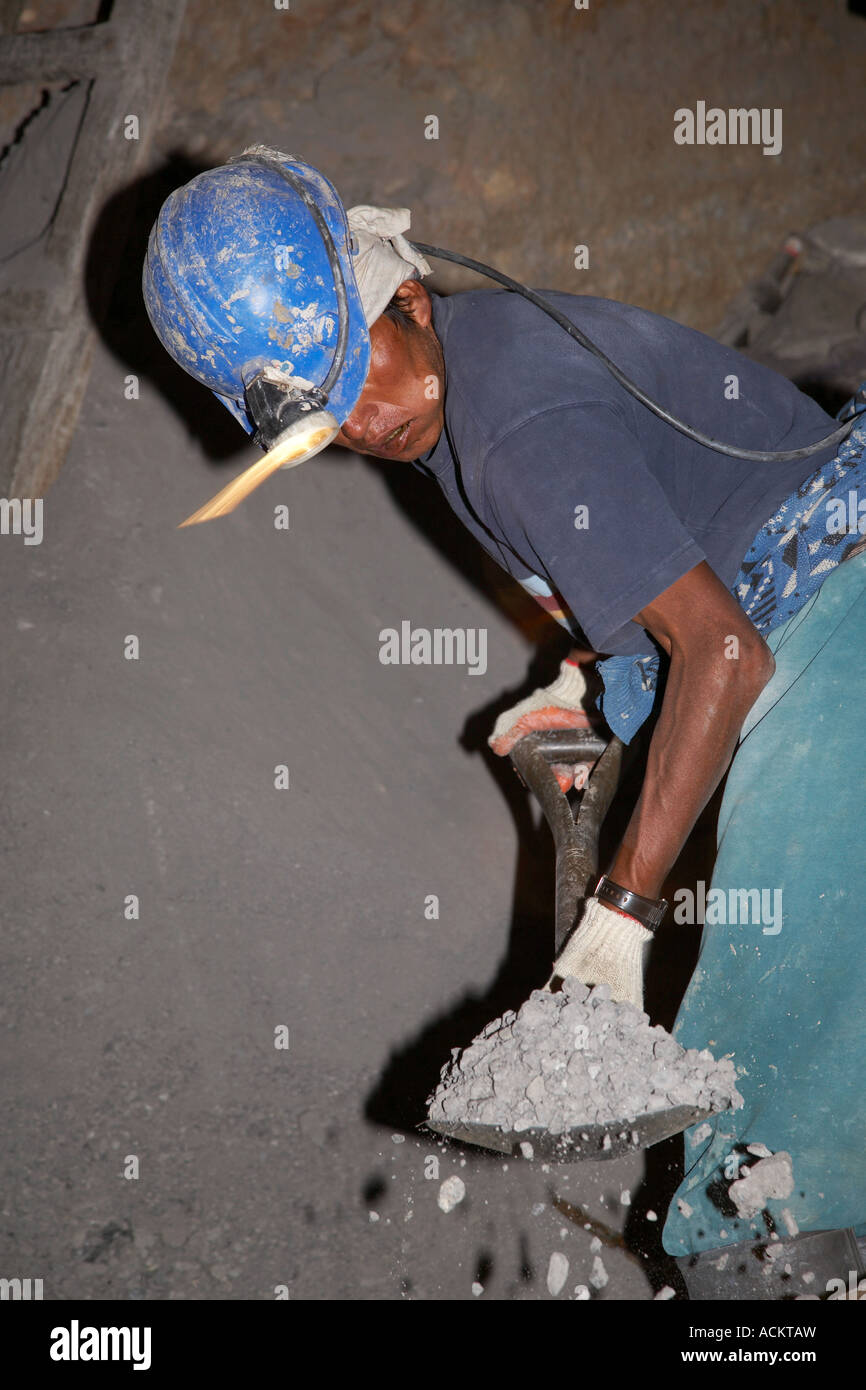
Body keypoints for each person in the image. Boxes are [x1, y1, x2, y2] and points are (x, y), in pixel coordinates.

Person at [143, 149, 866, 1297]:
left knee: (775, 1137)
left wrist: (621, 913)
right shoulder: (450, 390)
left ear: (408, 301)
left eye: (358, 377)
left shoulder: (508, 423)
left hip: (842, 610)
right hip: (802, 584)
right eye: (323, 415)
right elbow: (660, 546)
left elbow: (722, 649)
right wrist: (593, 682)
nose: (361, 422)